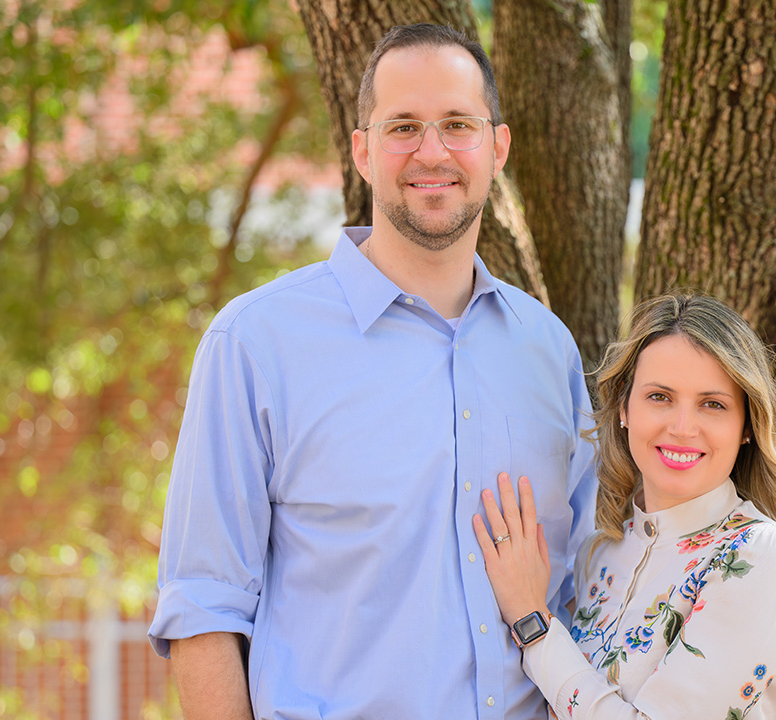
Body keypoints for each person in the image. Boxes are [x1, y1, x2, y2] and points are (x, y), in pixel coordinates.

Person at [148, 23, 597, 720]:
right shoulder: (256, 343)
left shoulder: (547, 350)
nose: (432, 152)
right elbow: (204, 609)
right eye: (403, 127)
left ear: (497, 146)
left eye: (457, 125)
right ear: (362, 150)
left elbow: (589, 589)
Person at [475, 293, 776, 719]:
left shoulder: (763, 557)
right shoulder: (597, 555)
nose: (681, 427)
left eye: (712, 404)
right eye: (660, 397)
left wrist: (532, 622)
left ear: (747, 426)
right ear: (624, 408)